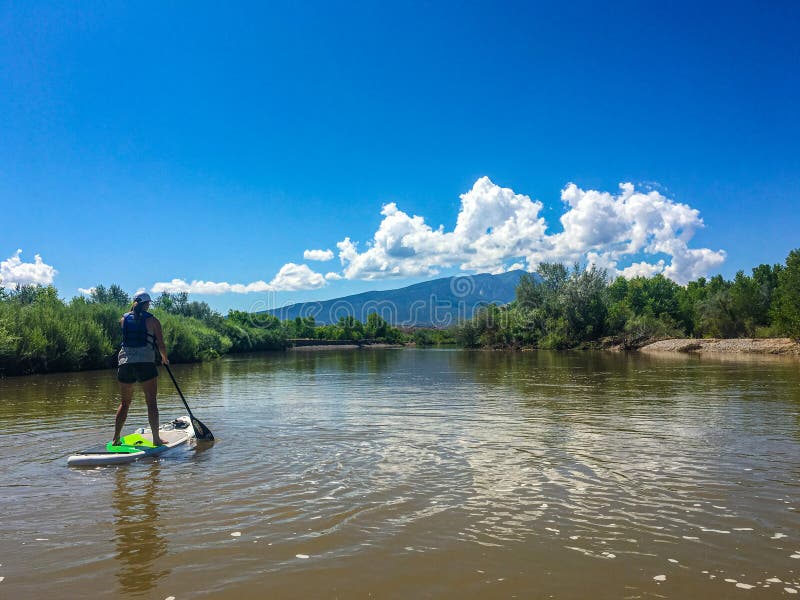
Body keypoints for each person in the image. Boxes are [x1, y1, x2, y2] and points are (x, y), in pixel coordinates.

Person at [113, 292, 169, 446]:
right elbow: (161, 344)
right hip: (145, 363)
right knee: (151, 402)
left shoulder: (123, 319)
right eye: (149, 303)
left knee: (125, 403)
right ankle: (156, 439)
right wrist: (164, 358)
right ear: (146, 304)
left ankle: (116, 438)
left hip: (125, 363)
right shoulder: (153, 320)